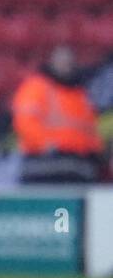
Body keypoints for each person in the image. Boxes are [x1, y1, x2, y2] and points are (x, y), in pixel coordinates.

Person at [11, 45, 104, 183]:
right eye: (61, 61)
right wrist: (47, 145)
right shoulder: (37, 88)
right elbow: (25, 122)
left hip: (79, 168)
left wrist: (96, 153)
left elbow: (90, 129)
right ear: (51, 62)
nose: (65, 66)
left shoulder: (81, 95)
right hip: (46, 166)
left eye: (68, 62)